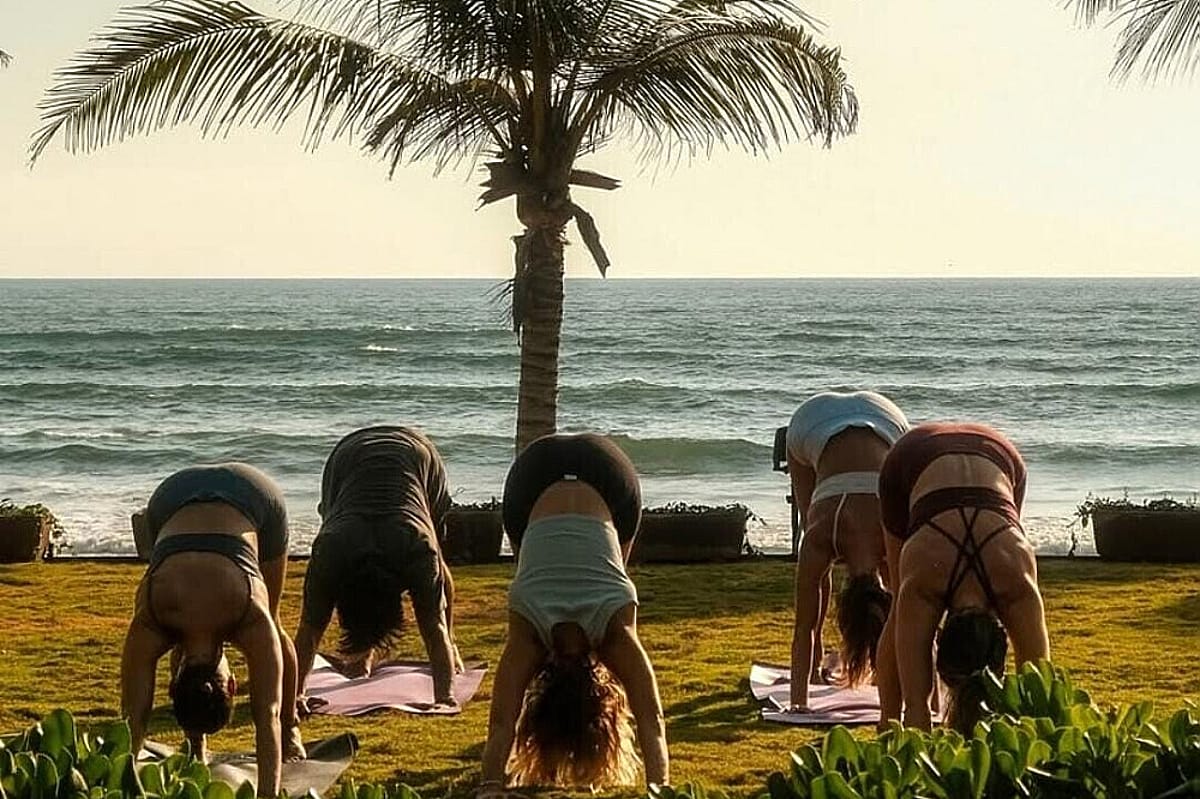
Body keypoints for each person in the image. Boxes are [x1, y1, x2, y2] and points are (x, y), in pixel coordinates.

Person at [478, 434, 667, 796]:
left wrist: (489, 787)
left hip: (608, 472)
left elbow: (651, 720)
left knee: (611, 564)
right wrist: (661, 789)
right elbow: (651, 720)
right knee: (534, 565)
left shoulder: (615, 631)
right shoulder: (530, 632)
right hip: (532, 478)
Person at [120, 463, 304, 798]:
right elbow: (267, 716)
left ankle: (291, 732)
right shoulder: (157, 613)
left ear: (232, 686)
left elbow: (134, 720)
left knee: (273, 623)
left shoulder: (246, 613)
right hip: (173, 492)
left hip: (250, 497)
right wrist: (268, 794)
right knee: (272, 628)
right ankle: (199, 748)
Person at [876, 422, 1050, 732]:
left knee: (900, 610)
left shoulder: (927, 580)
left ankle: (888, 727)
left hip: (994, 456)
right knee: (898, 596)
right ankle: (886, 725)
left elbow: (916, 708)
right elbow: (1039, 694)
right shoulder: (1016, 580)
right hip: (924, 460)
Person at [294, 426, 461, 714]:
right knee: (433, 585)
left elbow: (310, 630)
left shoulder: (415, 547)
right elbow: (308, 633)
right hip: (349, 457)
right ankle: (361, 661)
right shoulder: (332, 549)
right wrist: (293, 696)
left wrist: (446, 698)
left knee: (434, 555)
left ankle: (451, 646)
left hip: (417, 457)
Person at [784, 390, 909, 712]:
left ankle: (813, 671)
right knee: (901, 605)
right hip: (882, 418)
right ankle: (827, 671)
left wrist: (799, 706)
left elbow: (804, 626)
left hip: (817, 418)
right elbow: (909, 620)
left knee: (813, 556)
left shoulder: (820, 536)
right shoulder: (890, 535)